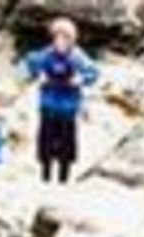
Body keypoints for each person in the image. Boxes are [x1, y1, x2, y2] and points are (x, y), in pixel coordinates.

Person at [24, 17, 99, 184]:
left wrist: (81, 79)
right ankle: (45, 175)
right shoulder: (47, 54)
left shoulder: (78, 57)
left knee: (66, 143)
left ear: (71, 40)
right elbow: (30, 62)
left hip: (68, 108)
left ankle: (64, 177)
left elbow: (94, 72)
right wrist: (37, 74)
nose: (60, 41)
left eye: (65, 38)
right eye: (57, 37)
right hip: (48, 105)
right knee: (46, 141)